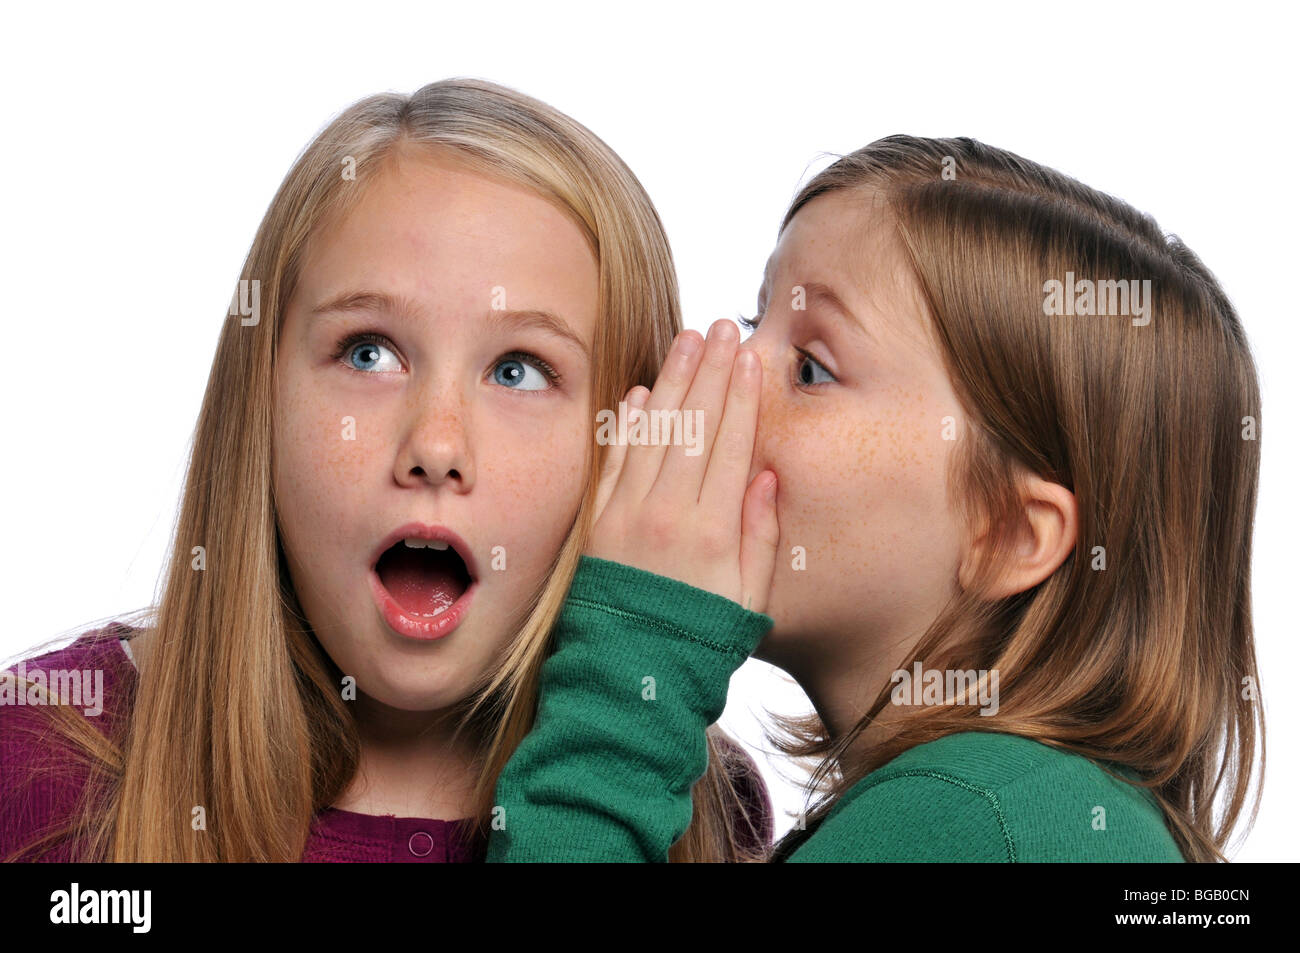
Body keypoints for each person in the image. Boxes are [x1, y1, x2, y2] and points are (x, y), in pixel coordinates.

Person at [0, 78, 771, 863]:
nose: (436, 446)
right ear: (260, 399)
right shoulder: (32, 760)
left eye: (519, 371)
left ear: (630, 443)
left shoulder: (683, 793)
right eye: (369, 352)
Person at [488, 135, 1264, 862]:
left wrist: (633, 657)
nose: (724, 369)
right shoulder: (1015, 806)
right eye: (758, 318)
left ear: (1006, 533)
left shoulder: (969, 822)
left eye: (811, 367)